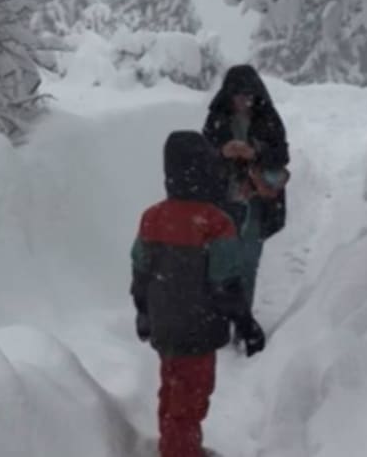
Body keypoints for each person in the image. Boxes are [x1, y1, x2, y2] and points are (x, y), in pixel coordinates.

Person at [131, 130, 265, 457]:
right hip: (199, 329)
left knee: (172, 390)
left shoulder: (152, 217)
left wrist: (144, 313)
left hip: (165, 326)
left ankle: (173, 446)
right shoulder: (215, 222)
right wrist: (247, 325)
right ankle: (182, 452)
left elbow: (140, 273)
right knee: (191, 399)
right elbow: (225, 285)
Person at [203, 64, 290, 311]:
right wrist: (222, 152)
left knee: (248, 261)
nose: (245, 102)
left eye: (249, 96)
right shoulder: (217, 119)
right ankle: (221, 316)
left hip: (257, 200)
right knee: (222, 260)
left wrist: (256, 152)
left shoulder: (268, 118)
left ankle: (242, 318)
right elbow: (202, 156)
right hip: (224, 199)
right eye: (239, 96)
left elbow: (282, 154)